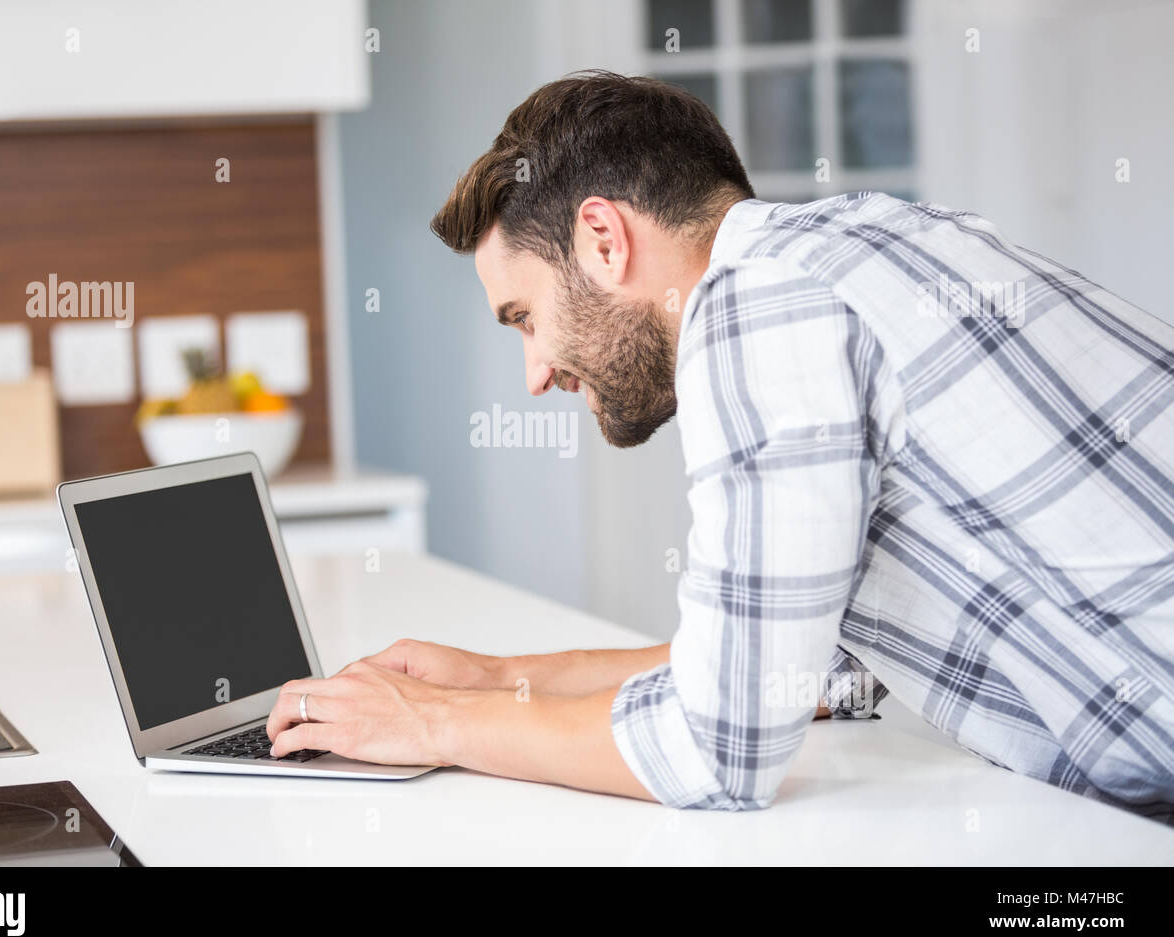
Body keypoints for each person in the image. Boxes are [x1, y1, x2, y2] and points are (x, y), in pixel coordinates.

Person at [267, 70, 1174, 822]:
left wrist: (428, 726)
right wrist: (501, 679)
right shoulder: (862, 240)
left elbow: (718, 747)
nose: (534, 374)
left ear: (601, 239)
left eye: (524, 318)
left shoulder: (758, 309)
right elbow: (803, 669)